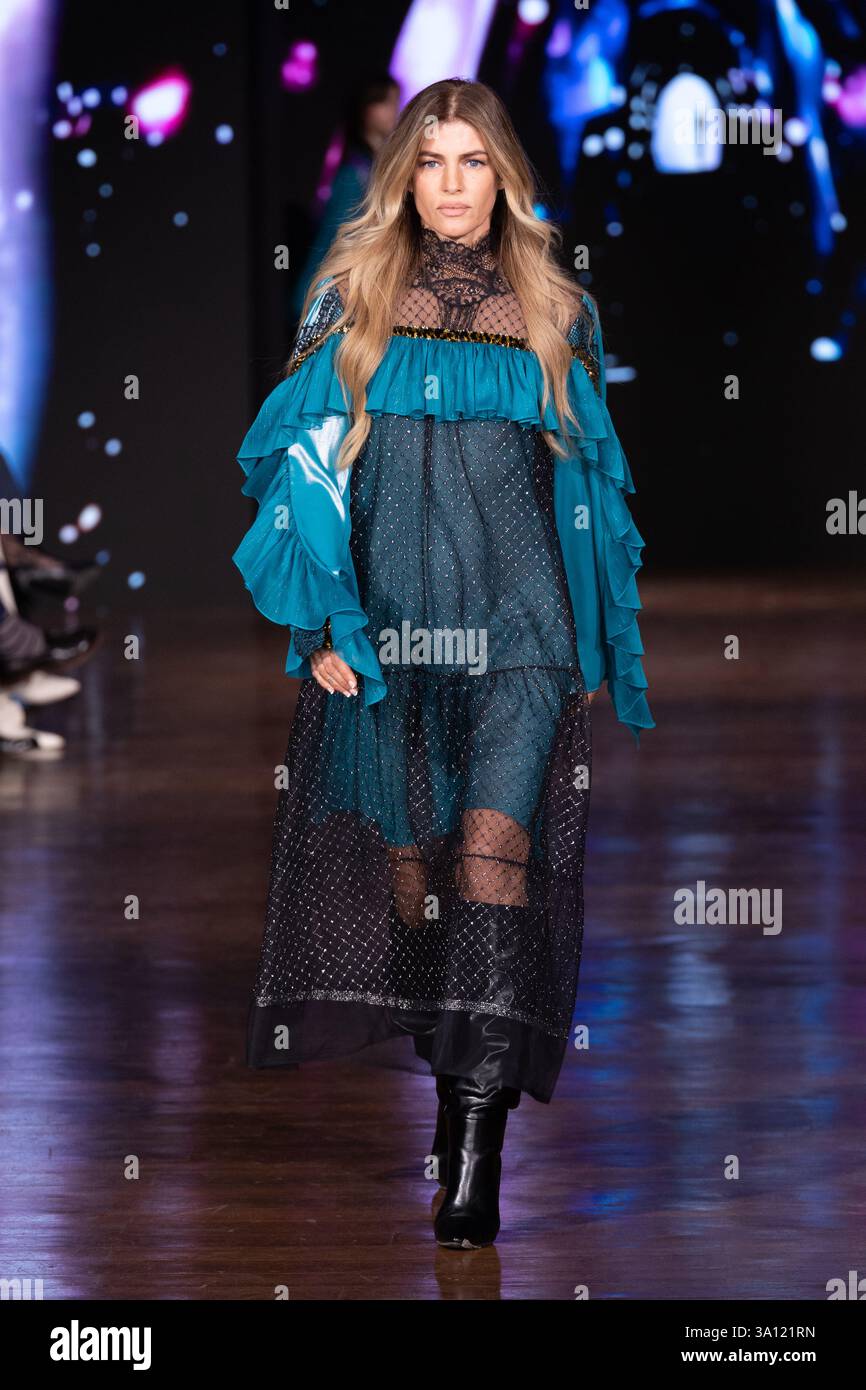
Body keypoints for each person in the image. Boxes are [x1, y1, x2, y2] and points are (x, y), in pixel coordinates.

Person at [234, 78, 653, 1249]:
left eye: (474, 161)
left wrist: (593, 636)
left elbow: (590, 487)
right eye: (433, 162)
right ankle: (449, 1071)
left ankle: (476, 1151)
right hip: (395, 635)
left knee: (493, 861)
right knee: (415, 884)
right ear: (404, 176)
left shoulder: (555, 307)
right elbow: (299, 475)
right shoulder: (350, 296)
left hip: (519, 635)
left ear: (504, 174)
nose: (454, 182)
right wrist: (320, 626)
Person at [288, 75, 400, 323]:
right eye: (390, 103)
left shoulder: (373, 169)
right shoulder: (354, 175)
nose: (396, 111)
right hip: (327, 305)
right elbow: (336, 244)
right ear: (369, 110)